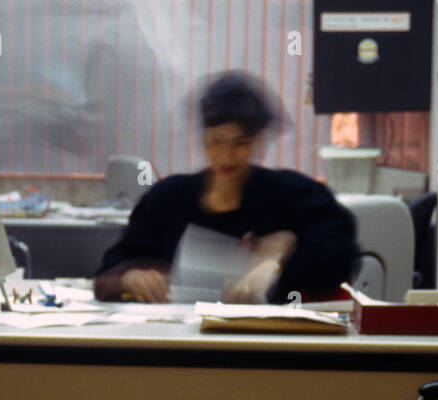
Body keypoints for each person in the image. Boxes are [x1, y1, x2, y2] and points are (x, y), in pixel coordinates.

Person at [93, 71, 361, 304]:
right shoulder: (168, 199)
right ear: (204, 139)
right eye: (217, 141)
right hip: (177, 342)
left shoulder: (293, 195)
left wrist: (278, 260)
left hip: (272, 342)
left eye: (240, 143)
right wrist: (130, 277)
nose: (227, 155)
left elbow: (342, 257)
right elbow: (109, 269)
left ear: (258, 142)